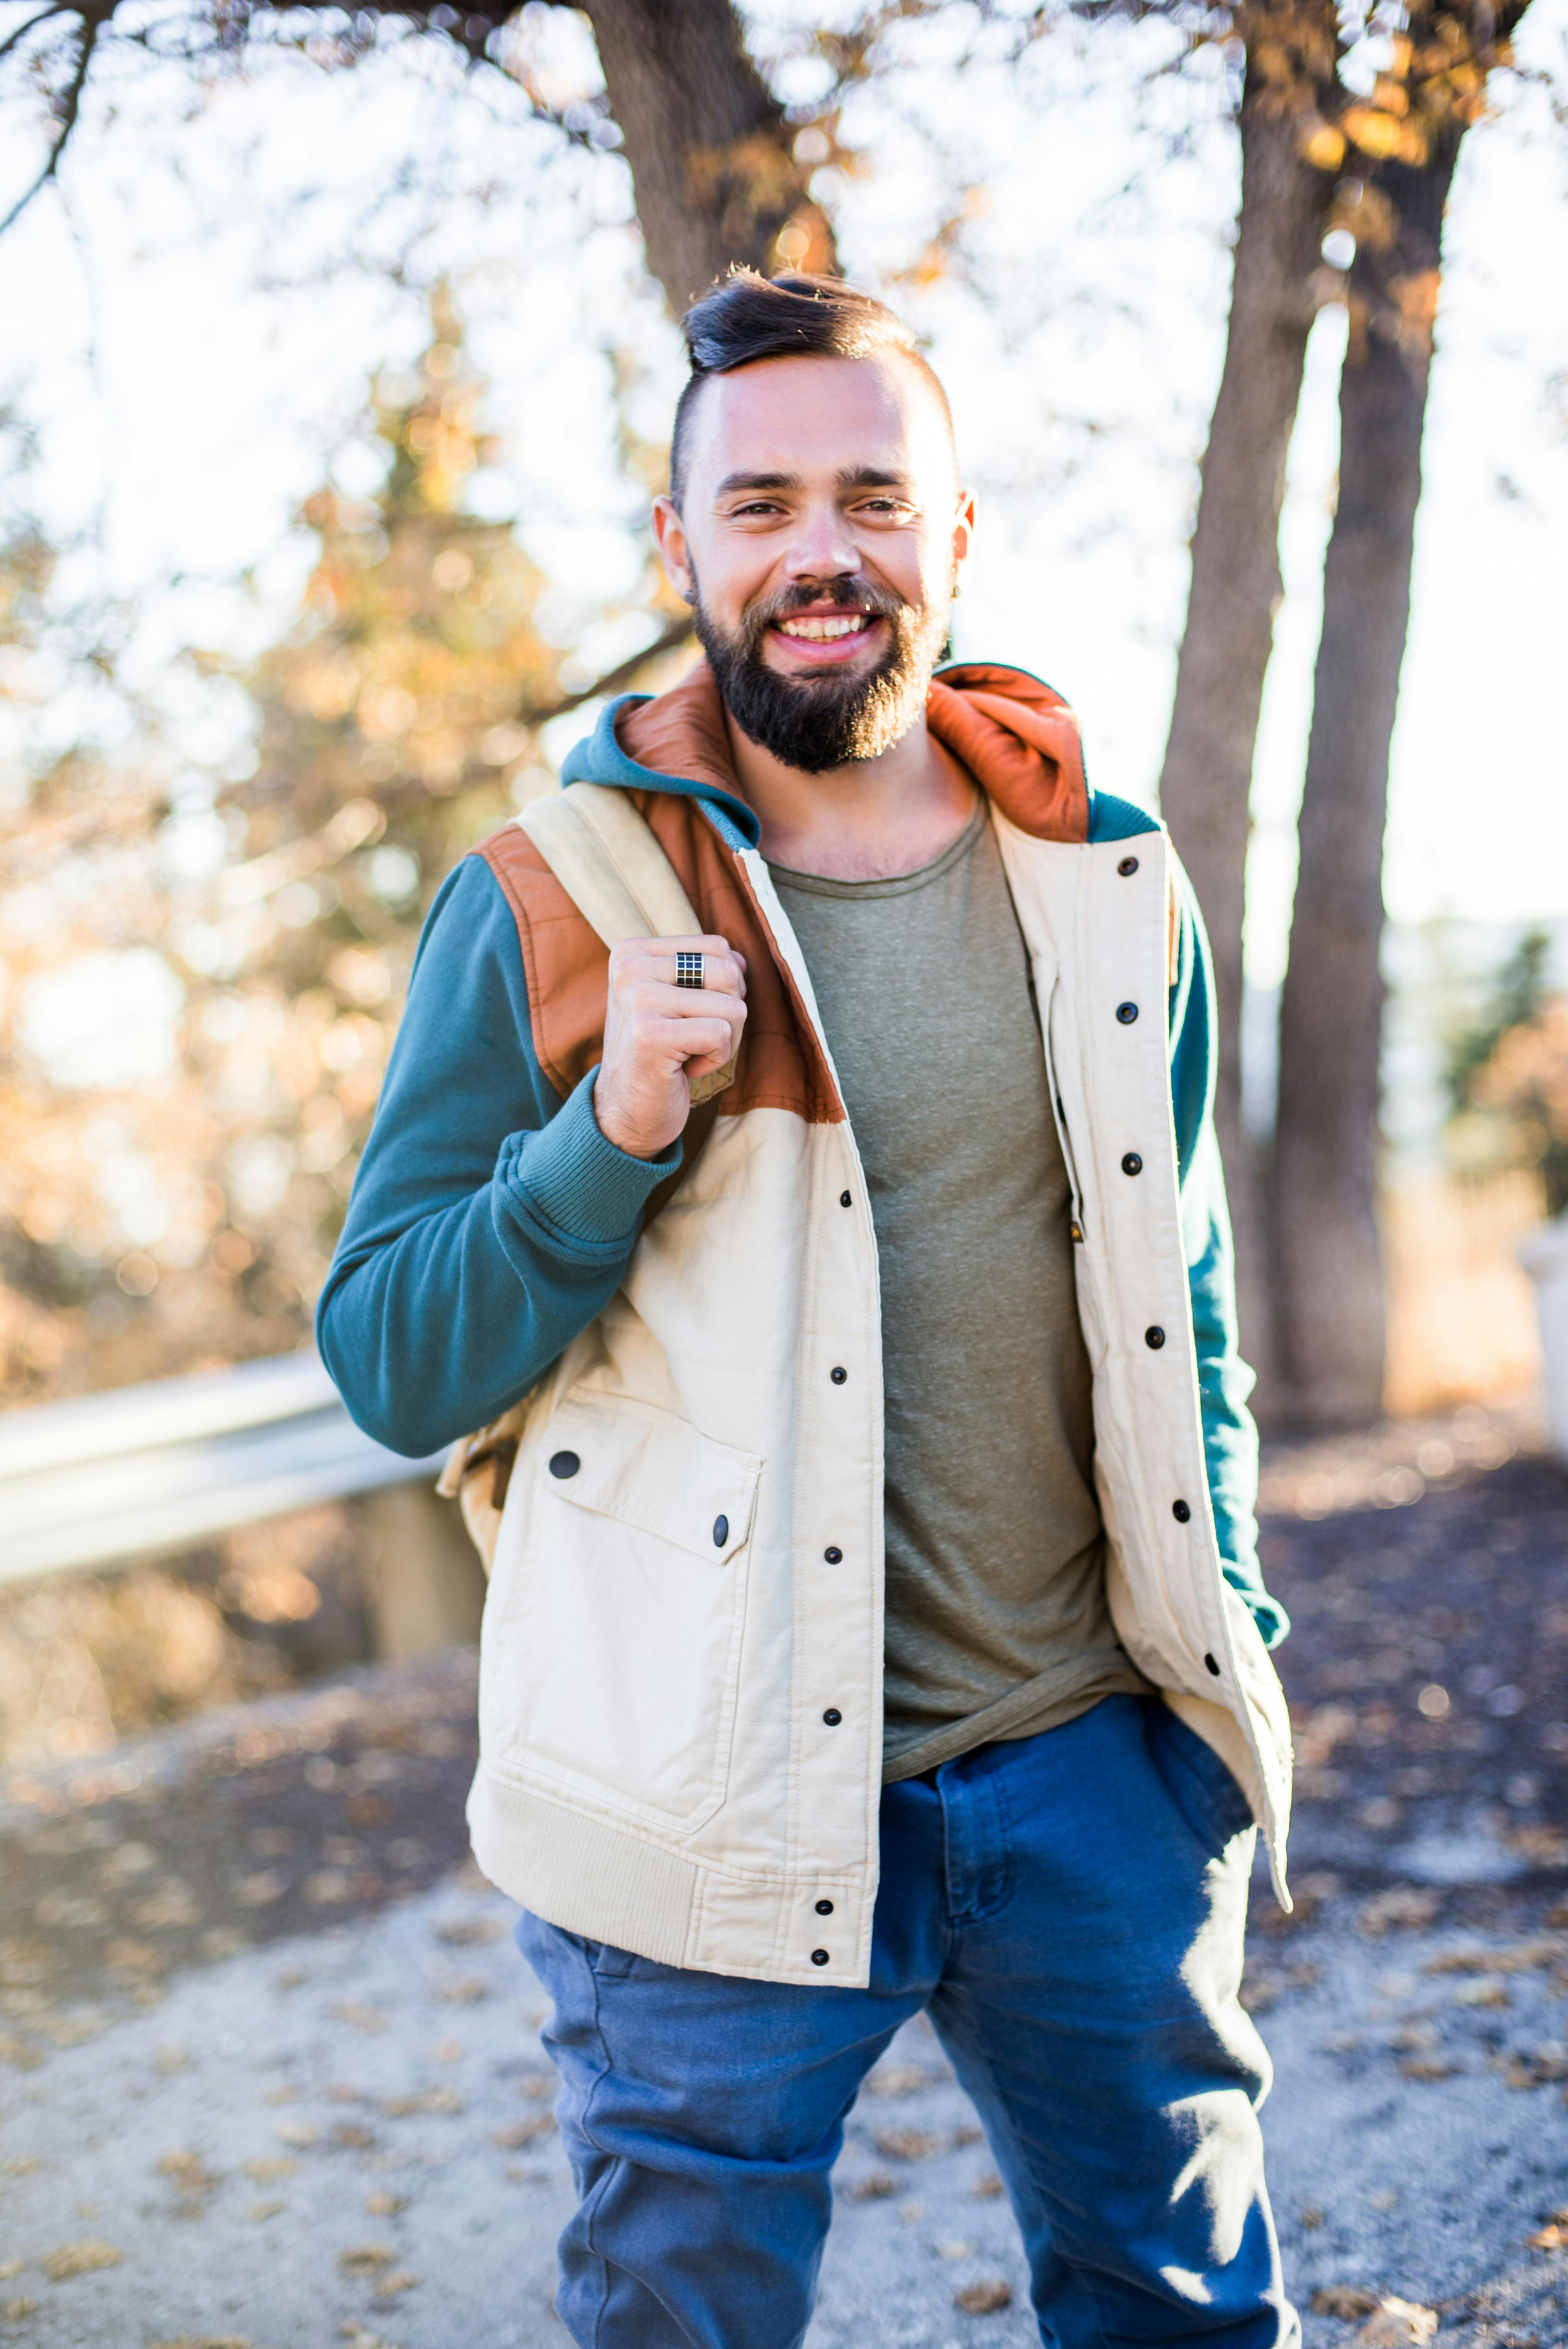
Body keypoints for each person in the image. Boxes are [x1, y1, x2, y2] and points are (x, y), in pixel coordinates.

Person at [319, 271, 1297, 2349]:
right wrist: (611, 1133)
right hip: (701, 1814)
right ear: (680, 551)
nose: (819, 548)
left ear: (953, 537)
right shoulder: (554, 900)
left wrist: (1214, 1693)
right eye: (758, 506)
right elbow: (393, 1358)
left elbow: (1179, 1293)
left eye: (872, 495)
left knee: (1184, 2311)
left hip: (1087, 1787)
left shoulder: (1106, 875)